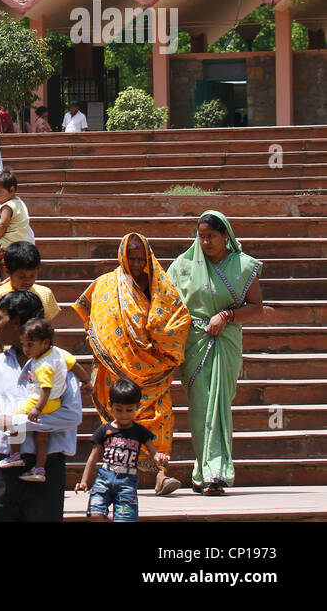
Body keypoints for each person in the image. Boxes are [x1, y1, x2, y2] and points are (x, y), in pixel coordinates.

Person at [73, 232, 190, 495]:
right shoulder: (106, 284)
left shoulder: (159, 284)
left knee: (162, 419)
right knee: (119, 428)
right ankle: (116, 479)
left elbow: (179, 317)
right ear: (122, 257)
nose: (136, 263)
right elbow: (90, 314)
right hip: (119, 370)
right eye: (131, 258)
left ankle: (161, 476)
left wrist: (159, 330)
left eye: (140, 258)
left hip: (154, 368)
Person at [0, 290, 83, 520]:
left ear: (16, 322)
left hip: (45, 467)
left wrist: (17, 422)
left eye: (0, 318)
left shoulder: (59, 363)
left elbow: (72, 416)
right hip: (4, 466)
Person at [167, 211, 263, 495]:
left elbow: (256, 306)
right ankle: (204, 472)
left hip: (226, 341)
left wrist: (227, 315)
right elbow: (169, 303)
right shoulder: (184, 266)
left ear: (225, 236)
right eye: (202, 236)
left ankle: (215, 473)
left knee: (219, 405)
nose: (206, 242)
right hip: (194, 343)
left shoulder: (243, 266)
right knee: (200, 408)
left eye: (212, 236)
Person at [0, 317, 89, 482]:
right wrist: (87, 381)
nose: (26, 349)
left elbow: (46, 389)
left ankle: (15, 454)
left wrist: (37, 408)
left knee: (13, 421)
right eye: (24, 344)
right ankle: (39, 468)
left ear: (45, 343)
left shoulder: (41, 365)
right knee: (41, 438)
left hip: (41, 400)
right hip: (55, 403)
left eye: (30, 345)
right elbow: (75, 365)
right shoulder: (60, 353)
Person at [76, 378, 170, 522]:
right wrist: (84, 481)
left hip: (127, 482)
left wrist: (159, 457)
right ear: (110, 405)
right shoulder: (104, 430)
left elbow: (154, 453)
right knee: (95, 515)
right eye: (119, 410)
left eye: (129, 410)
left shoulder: (140, 432)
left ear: (137, 407)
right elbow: (93, 458)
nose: (124, 415)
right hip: (104, 478)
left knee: (125, 519)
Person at [0, 241, 60, 360]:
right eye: (21, 277)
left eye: (32, 276)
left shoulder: (45, 294)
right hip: (8, 359)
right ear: (7, 271)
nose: (27, 281)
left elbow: (48, 330)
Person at [0, 169, 34, 257]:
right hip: (23, 238)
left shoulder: (7, 206)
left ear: (11, 190)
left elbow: (3, 225)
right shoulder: (19, 202)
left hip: (10, 240)